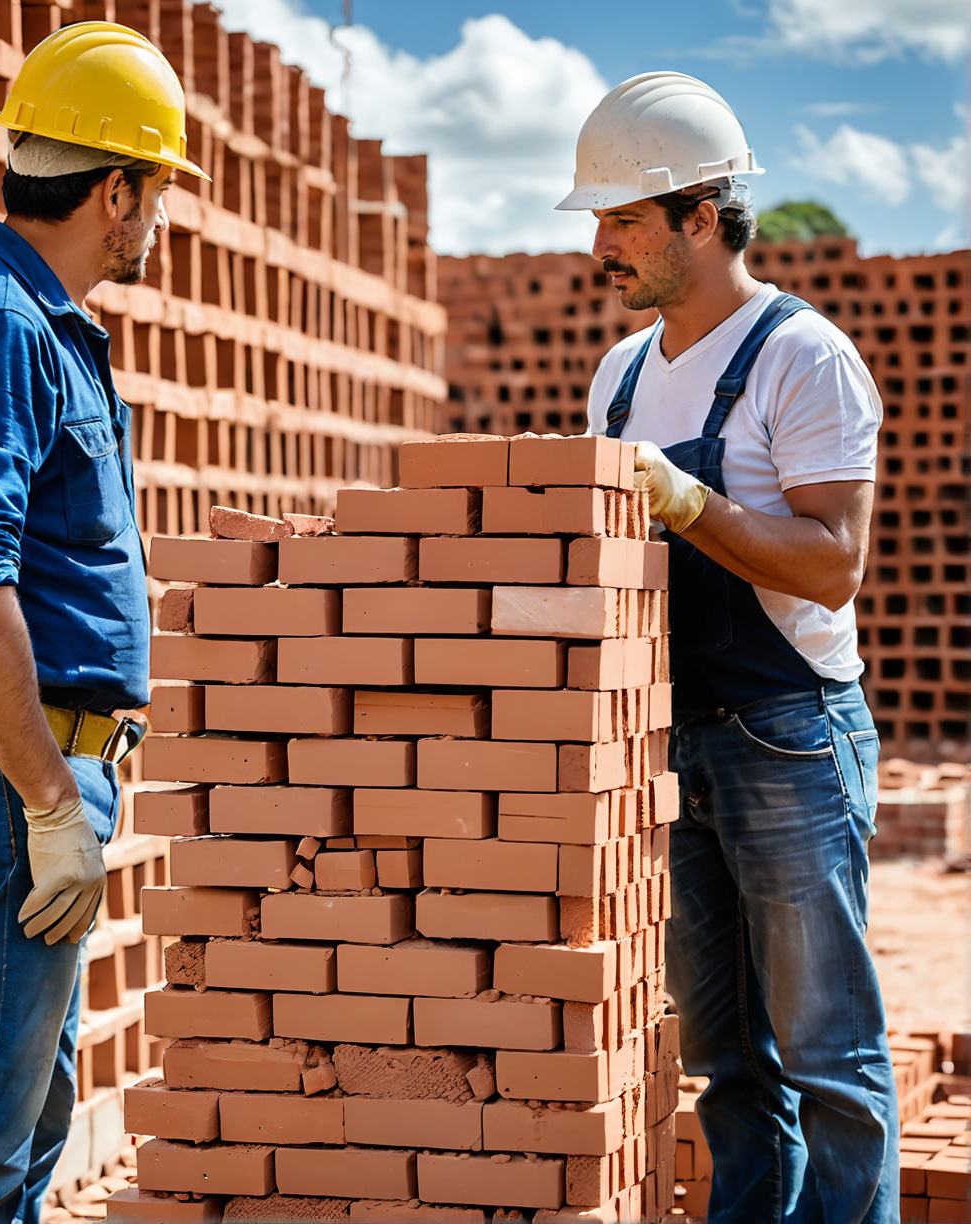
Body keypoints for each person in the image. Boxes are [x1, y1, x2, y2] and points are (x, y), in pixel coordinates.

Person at [0, 23, 208, 1223]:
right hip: (3, 788)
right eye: (157, 190)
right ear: (114, 188)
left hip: (17, 782)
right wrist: (52, 803)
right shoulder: (2, 329)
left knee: (19, 1138)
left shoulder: (39, 323)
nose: (158, 217)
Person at [558, 72, 898, 1223]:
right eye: (599, 221)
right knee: (729, 1063)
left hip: (788, 738)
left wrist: (689, 502)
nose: (602, 246)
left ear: (701, 216)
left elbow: (834, 562)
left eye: (622, 220)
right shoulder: (619, 378)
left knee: (829, 1058)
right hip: (669, 749)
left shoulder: (804, 357)